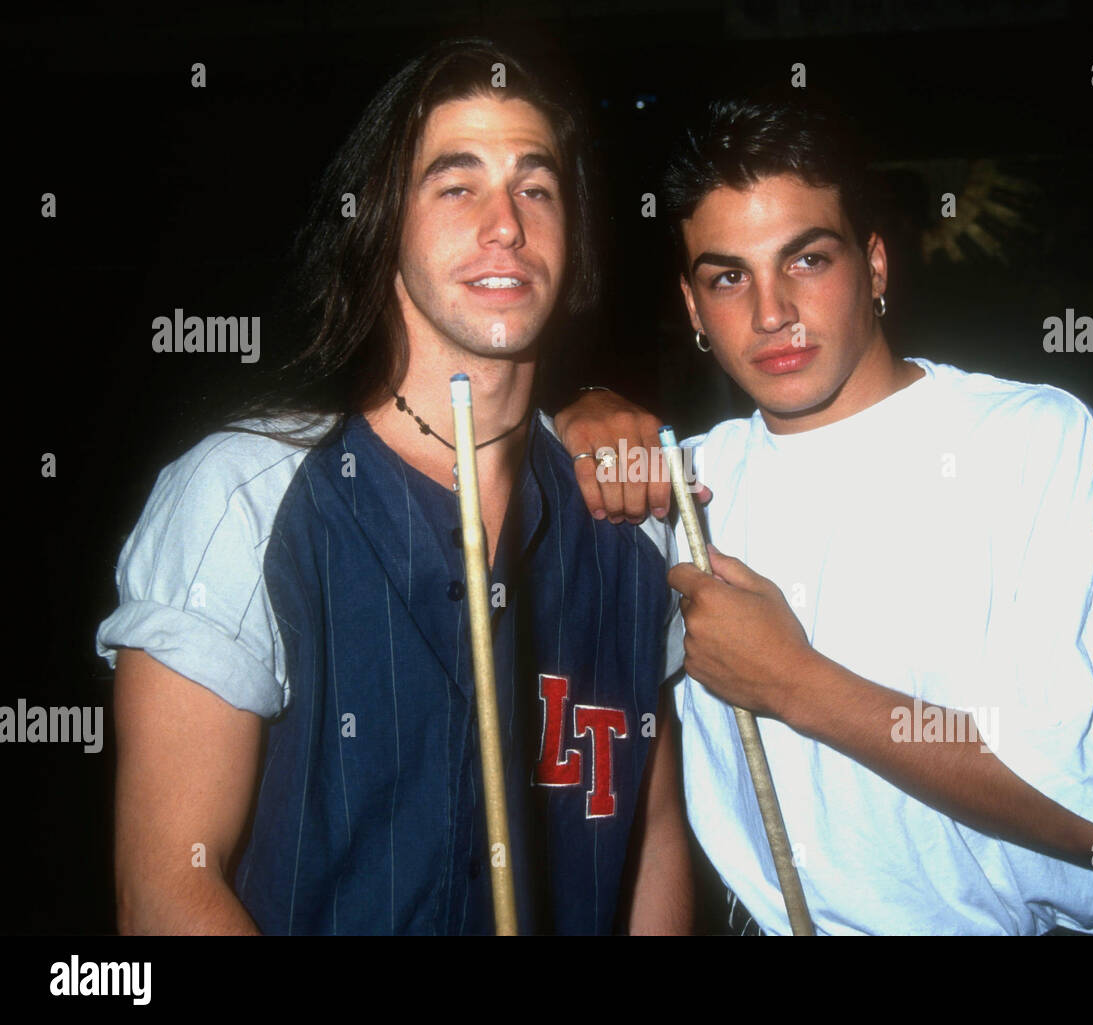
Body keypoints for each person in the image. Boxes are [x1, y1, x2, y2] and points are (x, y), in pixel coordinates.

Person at [96, 37, 693, 936]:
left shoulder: (636, 521)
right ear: (381, 224)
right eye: (457, 185)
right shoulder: (244, 498)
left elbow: (651, 839)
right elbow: (169, 887)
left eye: (537, 187)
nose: (507, 224)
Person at [654, 94, 1093, 935]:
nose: (771, 311)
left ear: (877, 265)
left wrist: (797, 682)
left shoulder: (1029, 442)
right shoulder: (683, 479)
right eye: (728, 276)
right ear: (693, 306)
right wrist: (589, 406)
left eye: (808, 260)